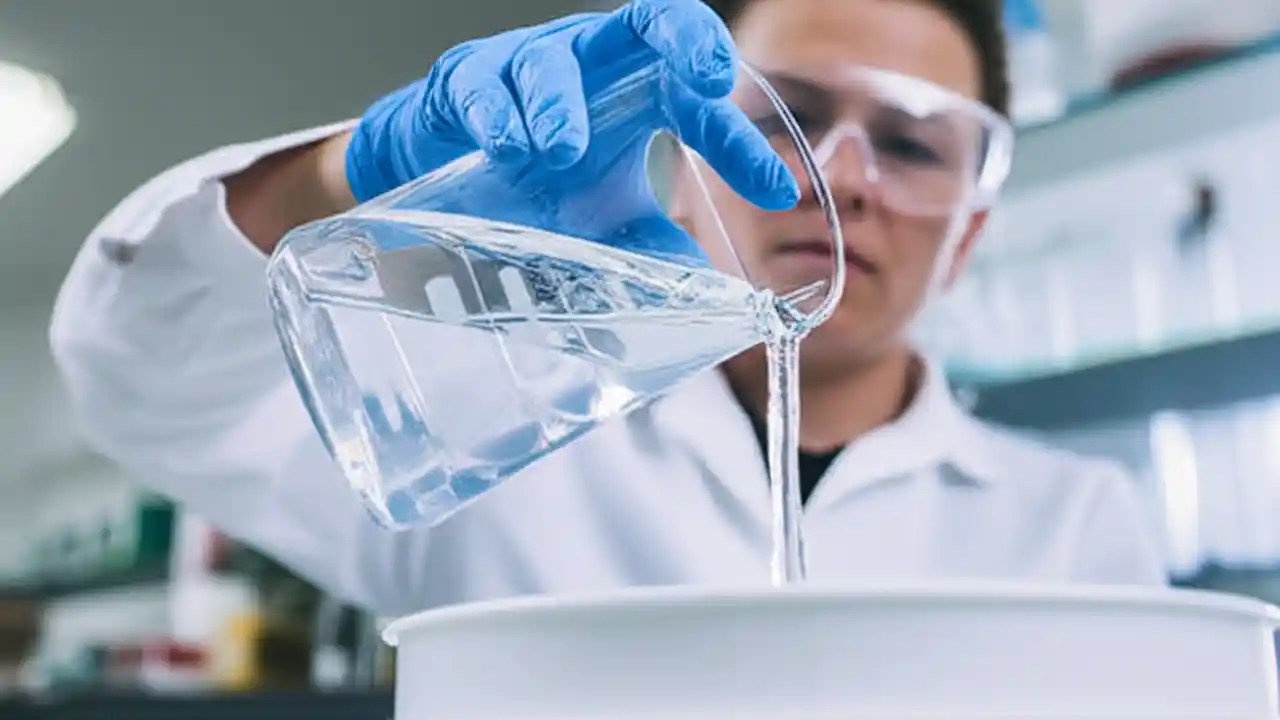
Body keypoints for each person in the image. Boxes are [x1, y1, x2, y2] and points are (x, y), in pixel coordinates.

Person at [50, 0, 1166, 616]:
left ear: (966, 232)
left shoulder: (1074, 525)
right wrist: (349, 175)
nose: (847, 178)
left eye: (912, 143)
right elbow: (133, 375)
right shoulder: (495, 423)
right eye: (787, 117)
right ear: (684, 157)